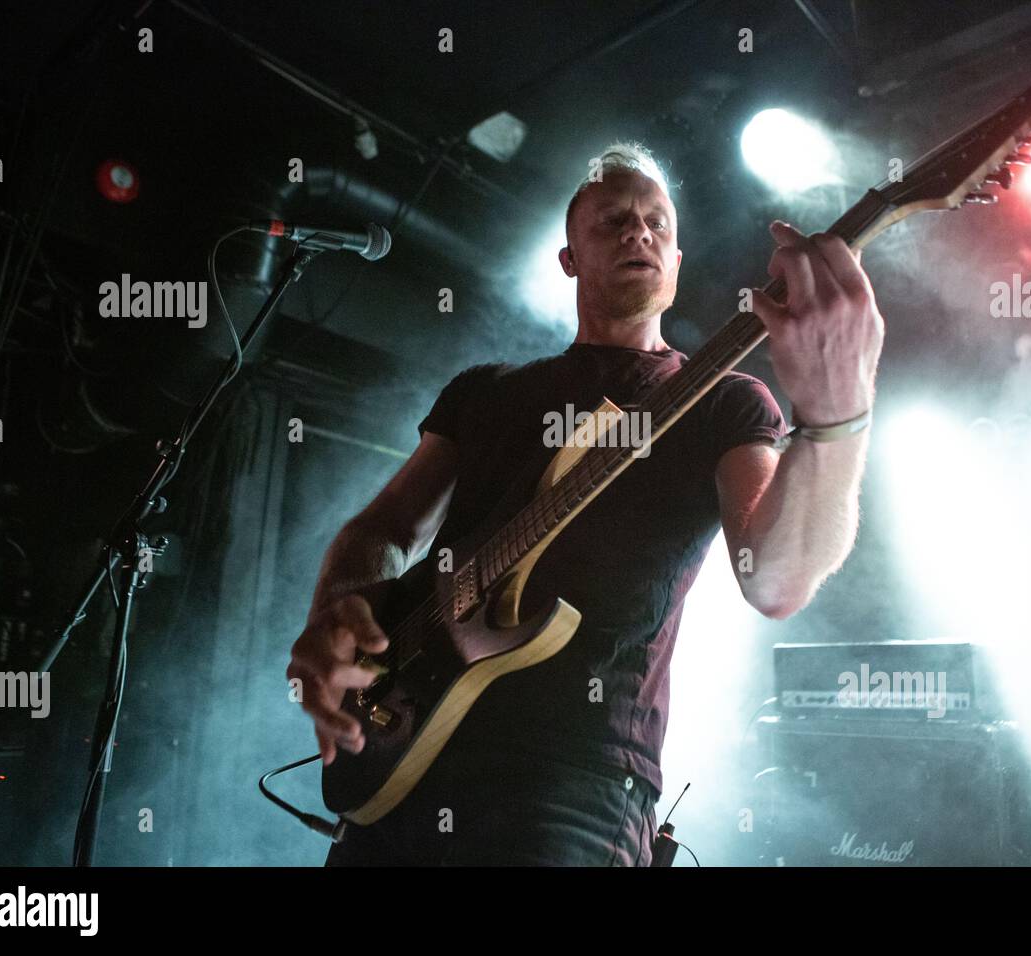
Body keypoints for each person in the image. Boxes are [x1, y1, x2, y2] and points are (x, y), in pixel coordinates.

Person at [288, 142, 885, 865]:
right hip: (397, 757)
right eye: (612, 221)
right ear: (568, 257)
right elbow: (381, 529)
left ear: (676, 262)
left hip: (573, 779)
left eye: (657, 223)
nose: (639, 233)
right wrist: (339, 613)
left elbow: (777, 580)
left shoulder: (726, 402)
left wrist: (838, 413)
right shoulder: (485, 389)